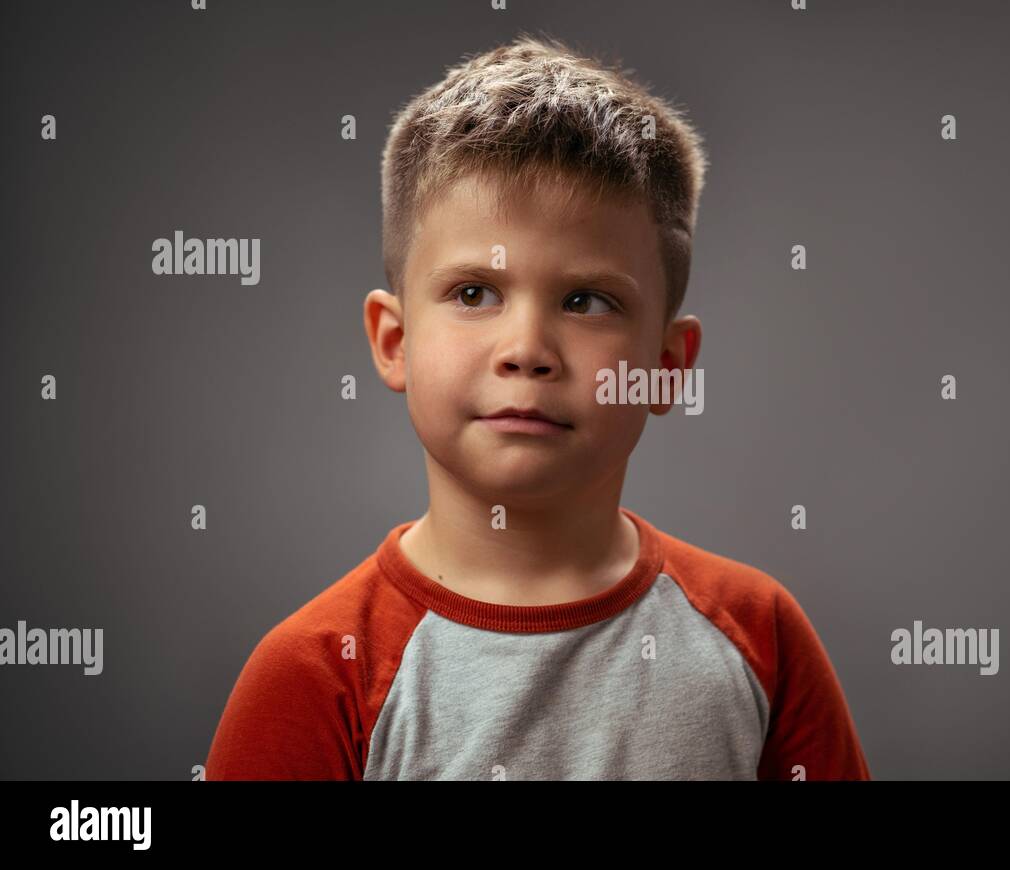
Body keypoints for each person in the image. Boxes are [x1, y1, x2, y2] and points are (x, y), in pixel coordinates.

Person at [204, 32, 870, 781]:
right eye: (474, 294)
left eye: (587, 301)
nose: (527, 348)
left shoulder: (757, 635)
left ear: (665, 366)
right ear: (393, 342)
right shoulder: (316, 672)